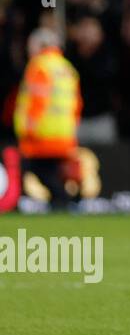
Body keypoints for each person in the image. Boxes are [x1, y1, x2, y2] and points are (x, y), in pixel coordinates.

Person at [14, 28, 83, 211]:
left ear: (41, 46)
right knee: (50, 173)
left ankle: (62, 201)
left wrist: (29, 128)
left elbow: (38, 99)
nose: (29, 51)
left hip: (41, 134)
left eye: (31, 46)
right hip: (64, 133)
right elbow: (77, 104)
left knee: (31, 170)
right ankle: (64, 202)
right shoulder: (67, 68)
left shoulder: (40, 65)